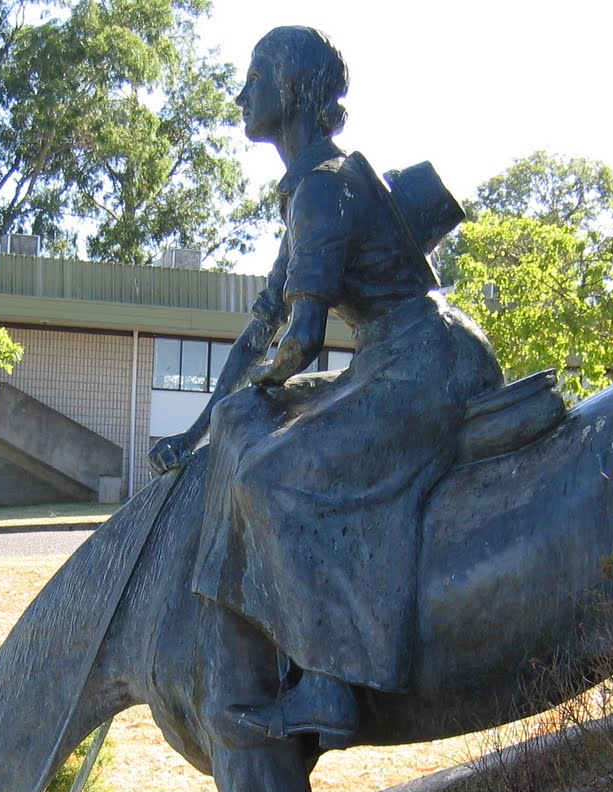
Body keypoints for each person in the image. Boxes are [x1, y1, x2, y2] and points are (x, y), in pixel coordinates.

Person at [150, 25, 502, 748]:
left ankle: (329, 686)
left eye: (256, 75)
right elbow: (260, 330)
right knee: (247, 429)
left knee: (272, 476)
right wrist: (198, 429)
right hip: (394, 359)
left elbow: (300, 339)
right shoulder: (309, 190)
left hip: (426, 363)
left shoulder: (323, 187)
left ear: (292, 87)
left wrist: (263, 384)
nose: (241, 93)